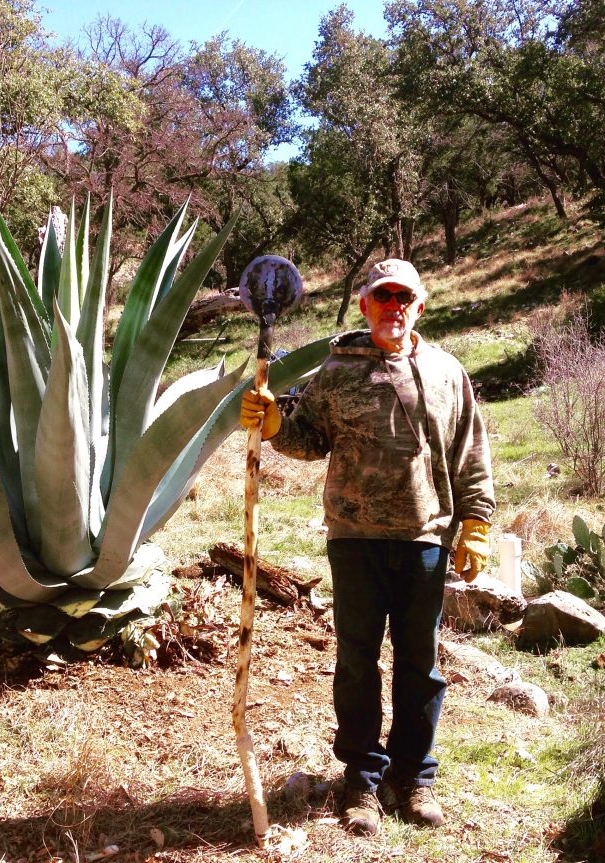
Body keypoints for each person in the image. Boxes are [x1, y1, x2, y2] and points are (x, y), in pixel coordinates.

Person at [240, 258, 495, 836]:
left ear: (420, 306)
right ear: (366, 306)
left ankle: (414, 778)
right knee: (357, 663)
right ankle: (361, 779)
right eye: (383, 297)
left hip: (423, 540)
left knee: (421, 667)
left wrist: (475, 522)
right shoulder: (336, 372)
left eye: (404, 297)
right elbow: (308, 443)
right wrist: (276, 423)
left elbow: (470, 455)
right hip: (353, 540)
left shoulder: (449, 374)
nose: (394, 307)